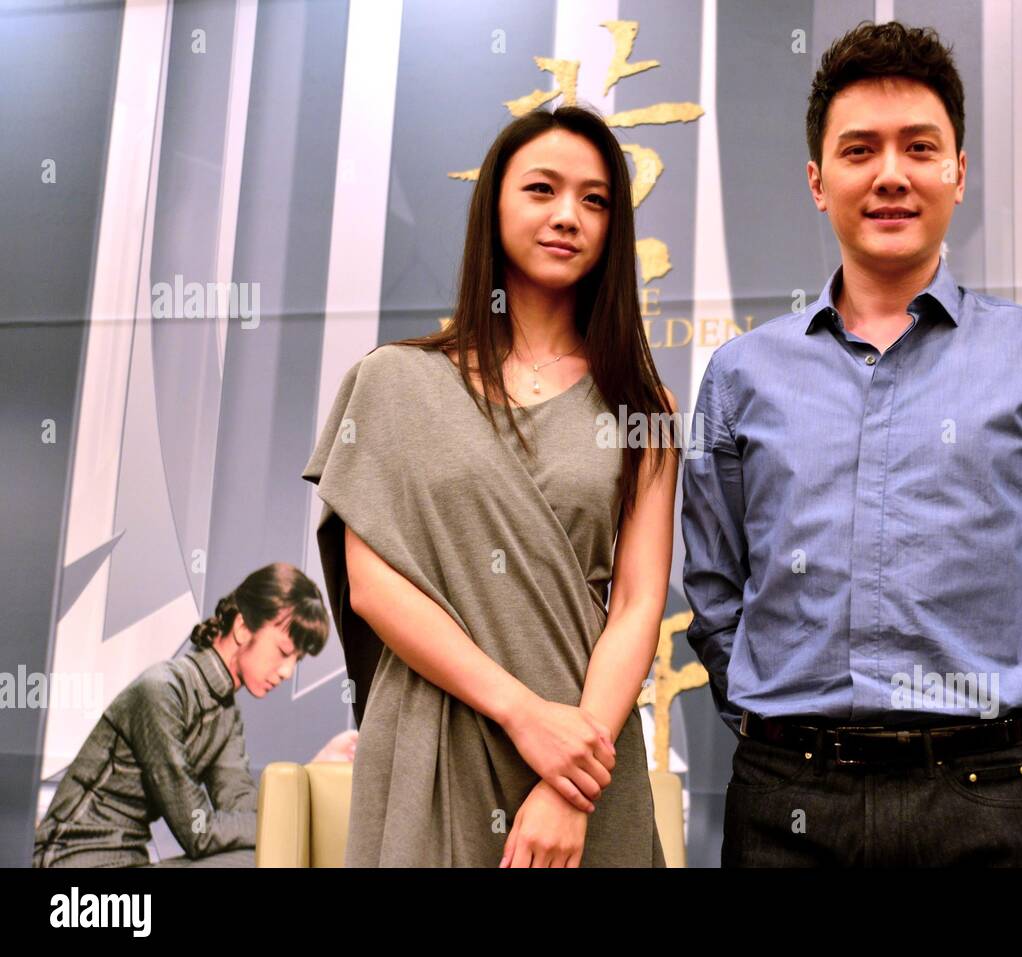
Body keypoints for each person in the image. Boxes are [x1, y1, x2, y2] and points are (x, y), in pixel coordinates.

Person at [681, 20, 1022, 867]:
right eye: (860, 150)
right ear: (818, 180)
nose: (891, 174)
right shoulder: (742, 374)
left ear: (959, 172)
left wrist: (1002, 757)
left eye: (919, 147)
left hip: (981, 802)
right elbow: (712, 590)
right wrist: (781, 722)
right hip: (788, 804)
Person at [303, 105, 677, 867]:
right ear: (493, 206)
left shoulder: (645, 405)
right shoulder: (394, 383)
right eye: (541, 189)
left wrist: (571, 776)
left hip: (585, 749)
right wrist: (521, 713)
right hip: (433, 736)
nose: (568, 215)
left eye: (595, 199)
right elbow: (374, 590)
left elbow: (639, 603)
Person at [32, 562, 351, 868]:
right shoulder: (161, 691)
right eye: (283, 652)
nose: (286, 671)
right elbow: (199, 831)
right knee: (265, 857)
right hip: (71, 867)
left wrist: (312, 771)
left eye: (297, 660)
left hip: (130, 864)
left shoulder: (224, 713)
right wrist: (276, 822)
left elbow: (242, 806)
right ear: (242, 627)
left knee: (271, 853)